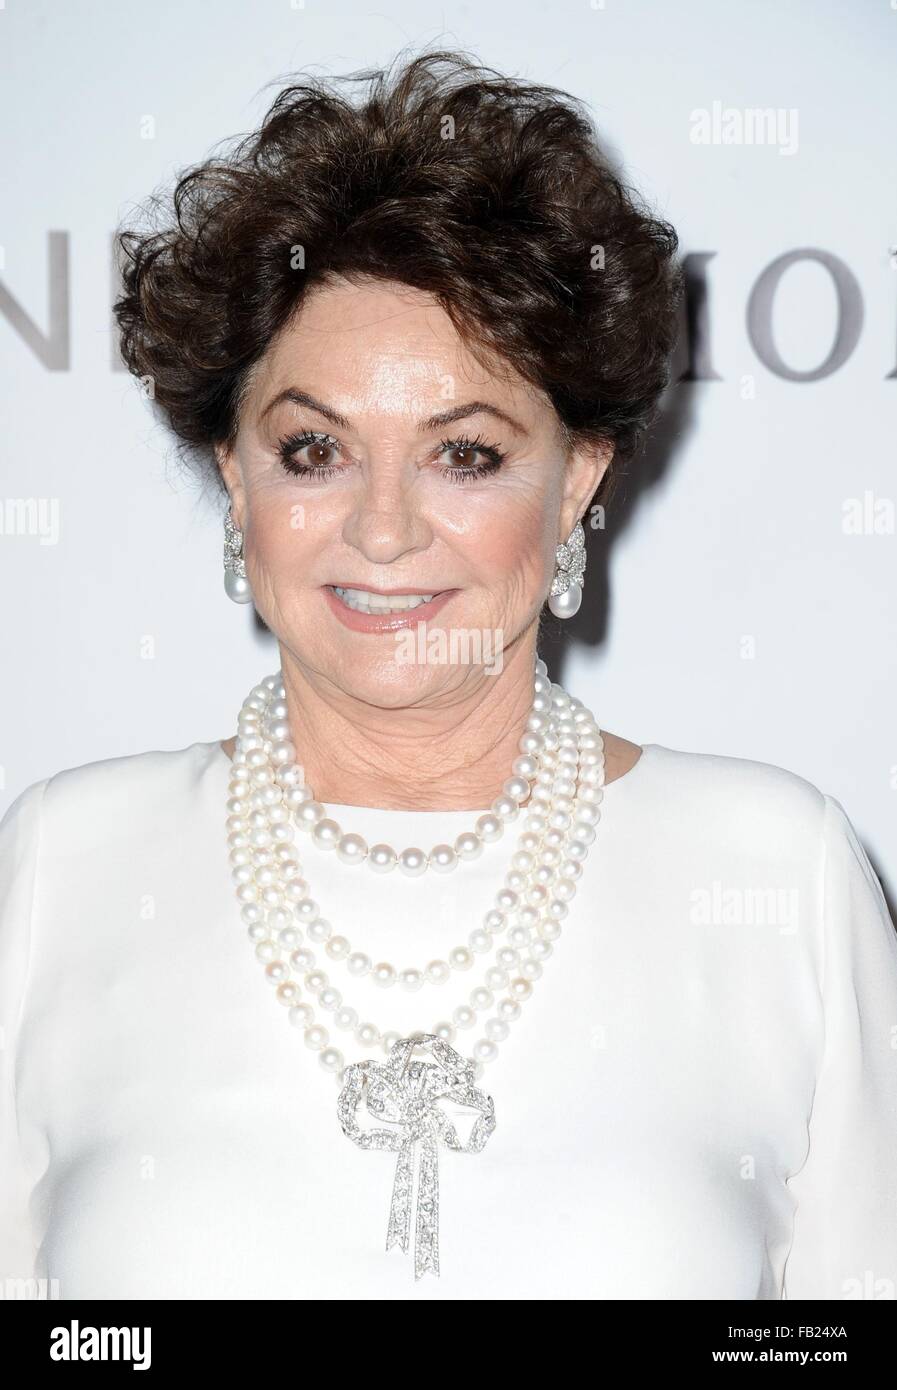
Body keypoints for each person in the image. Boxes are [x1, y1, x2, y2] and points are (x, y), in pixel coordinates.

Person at [1, 48, 895, 1300]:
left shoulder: (776, 870)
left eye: (464, 455)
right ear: (233, 478)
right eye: (313, 449)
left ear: (577, 477)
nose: (382, 528)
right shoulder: (62, 865)